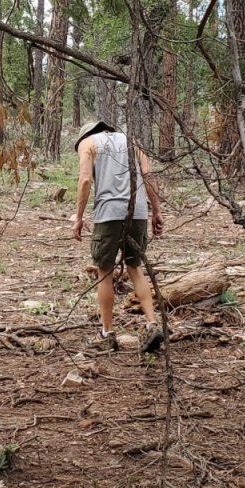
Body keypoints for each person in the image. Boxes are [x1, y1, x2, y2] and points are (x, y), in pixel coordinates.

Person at [72, 119, 165, 353]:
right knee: (134, 266)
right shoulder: (132, 142)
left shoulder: (88, 143)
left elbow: (84, 180)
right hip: (138, 211)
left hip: (108, 212)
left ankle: (107, 332)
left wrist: (79, 217)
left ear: (86, 136)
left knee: (104, 271)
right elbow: (149, 176)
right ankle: (152, 322)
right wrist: (156, 211)